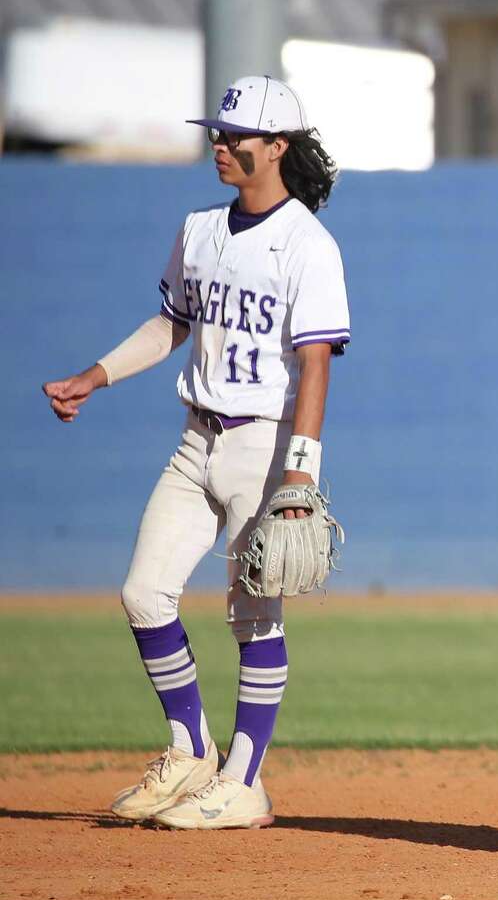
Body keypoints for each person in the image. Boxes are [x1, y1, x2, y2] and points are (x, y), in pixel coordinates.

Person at [41, 76, 350, 829]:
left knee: (254, 614)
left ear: (277, 147)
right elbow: (170, 323)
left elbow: (314, 363)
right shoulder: (200, 229)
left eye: (235, 136)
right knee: (144, 593)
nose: (220, 144)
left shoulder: (308, 244)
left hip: (264, 445)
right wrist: (96, 375)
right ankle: (189, 753)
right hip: (196, 439)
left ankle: (245, 782)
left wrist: (300, 471)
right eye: (216, 133)